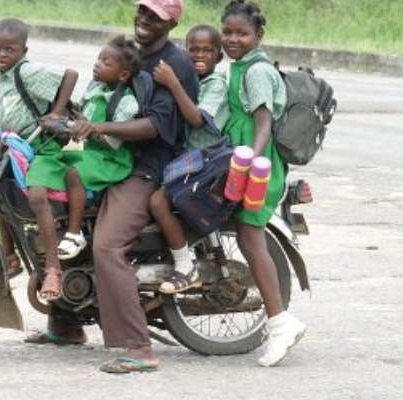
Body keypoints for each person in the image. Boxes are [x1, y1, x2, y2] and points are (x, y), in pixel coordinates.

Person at [32, 0, 199, 373]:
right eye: (142, 10)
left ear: (170, 23)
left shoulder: (175, 65)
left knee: (107, 246)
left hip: (146, 167)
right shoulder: (130, 54)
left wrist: (99, 129)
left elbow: (156, 127)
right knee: (53, 202)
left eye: (154, 15)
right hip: (109, 156)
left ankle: (139, 348)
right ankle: (67, 322)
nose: (143, 18)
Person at [220, 0, 306, 367]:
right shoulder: (239, 67)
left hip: (257, 168)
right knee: (246, 237)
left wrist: (251, 164)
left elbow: (263, 123)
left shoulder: (255, 72)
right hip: (248, 162)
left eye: (242, 33)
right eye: (228, 32)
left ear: (258, 36)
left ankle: (280, 324)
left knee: (252, 240)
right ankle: (279, 322)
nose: (233, 39)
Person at [26, 35, 142, 299]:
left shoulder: (126, 102)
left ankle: (74, 232)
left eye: (106, 62)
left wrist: (90, 130)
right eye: (99, 59)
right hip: (87, 148)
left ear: (123, 74)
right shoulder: (94, 87)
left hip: (109, 158)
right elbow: (84, 116)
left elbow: (112, 143)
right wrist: (70, 116)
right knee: (49, 159)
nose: (98, 65)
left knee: (72, 171)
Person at [0, 18, 78, 284]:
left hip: (44, 148)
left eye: (9, 50)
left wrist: (56, 113)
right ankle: (9, 256)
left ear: (23, 52)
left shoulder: (25, 71)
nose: (1, 55)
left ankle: (53, 269)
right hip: (21, 144)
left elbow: (70, 75)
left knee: (37, 196)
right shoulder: (4, 75)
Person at [148, 24, 230, 294]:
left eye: (207, 50)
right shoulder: (191, 81)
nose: (199, 55)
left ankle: (186, 264)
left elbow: (196, 118)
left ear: (219, 56)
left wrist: (172, 82)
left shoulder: (214, 84)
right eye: (193, 49)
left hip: (203, 161)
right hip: (185, 159)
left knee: (158, 202)